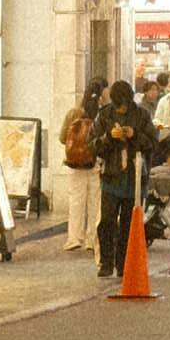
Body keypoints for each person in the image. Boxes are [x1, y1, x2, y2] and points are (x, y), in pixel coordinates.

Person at [93, 83, 152, 280]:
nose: (122, 109)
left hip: (134, 179)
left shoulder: (142, 115)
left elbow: (153, 141)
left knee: (129, 224)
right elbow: (93, 145)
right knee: (107, 222)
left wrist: (135, 135)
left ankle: (124, 264)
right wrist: (109, 137)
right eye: (119, 106)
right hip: (110, 176)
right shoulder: (104, 115)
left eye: (125, 106)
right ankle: (106, 263)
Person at [59, 85, 102, 253]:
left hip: (76, 165)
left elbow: (63, 138)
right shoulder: (102, 115)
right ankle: (92, 239)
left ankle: (74, 238)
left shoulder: (73, 114)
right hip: (95, 163)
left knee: (76, 201)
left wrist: (76, 147)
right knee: (94, 202)